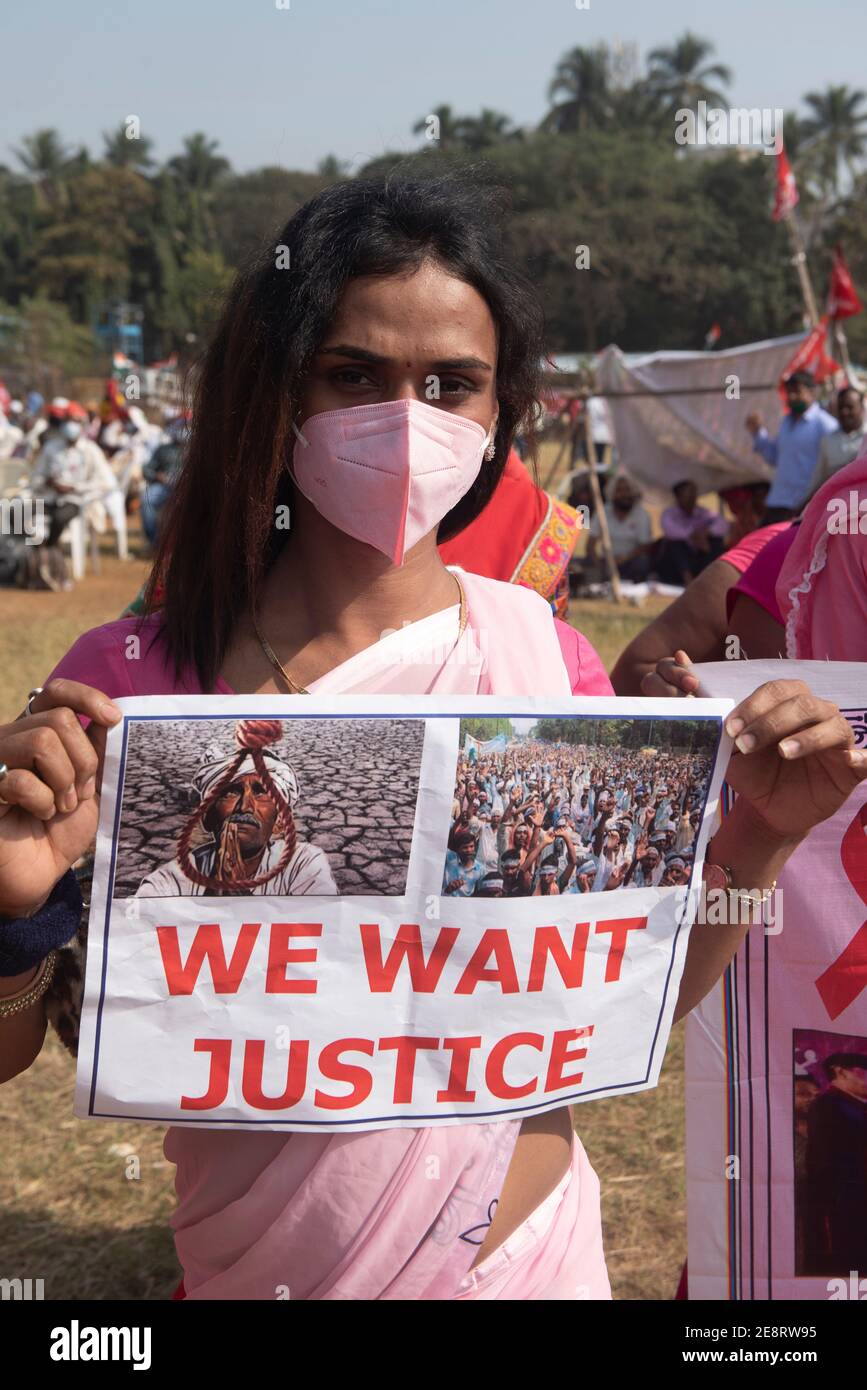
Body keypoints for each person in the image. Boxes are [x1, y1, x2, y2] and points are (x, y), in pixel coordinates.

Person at [0, 173, 864, 1305]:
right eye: (354, 373)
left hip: (531, 1266)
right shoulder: (131, 686)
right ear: (279, 385)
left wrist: (757, 845)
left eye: (450, 384)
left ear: (499, 412)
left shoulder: (549, 665)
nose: (406, 418)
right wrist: (17, 916)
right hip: (254, 1272)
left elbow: (624, 993)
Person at [136, 720, 337, 897]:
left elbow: (322, 927)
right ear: (207, 817)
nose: (245, 807)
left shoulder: (303, 864)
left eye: (261, 792)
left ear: (278, 822)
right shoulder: (169, 882)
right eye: (230, 792)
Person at [803, 1053, 867, 1274]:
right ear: (841, 1071)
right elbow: (824, 1163)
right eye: (864, 1071)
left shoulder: (858, 1107)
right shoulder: (827, 1106)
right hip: (846, 1209)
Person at [746, 369, 837, 522]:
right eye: (789, 392)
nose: (792, 397)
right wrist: (758, 434)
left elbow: (832, 469)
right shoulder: (786, 422)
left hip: (803, 506)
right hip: (777, 501)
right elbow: (775, 458)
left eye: (797, 391)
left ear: (812, 392)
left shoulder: (825, 425)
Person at [658, 479, 728, 586]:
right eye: (687, 496)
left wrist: (706, 532)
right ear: (677, 497)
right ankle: (688, 581)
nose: (691, 499)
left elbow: (723, 525)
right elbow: (670, 530)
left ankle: (715, 578)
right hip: (676, 566)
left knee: (716, 541)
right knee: (675, 544)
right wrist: (692, 536)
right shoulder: (669, 513)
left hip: (698, 557)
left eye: (693, 495)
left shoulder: (702, 512)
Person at [584, 474, 653, 583]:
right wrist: (598, 563)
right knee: (588, 565)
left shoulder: (641, 514)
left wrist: (624, 558)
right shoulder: (602, 513)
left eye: (627, 490)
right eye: (620, 491)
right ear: (612, 494)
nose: (624, 494)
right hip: (607, 561)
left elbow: (645, 545)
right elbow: (590, 544)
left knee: (642, 562)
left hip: (630, 561)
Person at [806, 384, 867, 498]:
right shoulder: (828, 441)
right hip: (838, 504)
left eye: (850, 407)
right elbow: (819, 478)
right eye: (841, 407)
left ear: (861, 408)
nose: (844, 412)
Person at [140, 413, 189, 548]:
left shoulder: (197, 451)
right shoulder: (163, 449)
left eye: (189, 425)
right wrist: (157, 476)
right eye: (181, 425)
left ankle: (181, 544)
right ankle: (155, 542)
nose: (185, 429)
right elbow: (147, 469)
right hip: (163, 487)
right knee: (146, 499)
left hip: (187, 490)